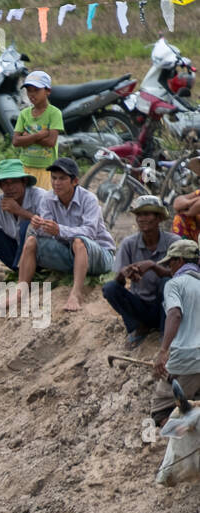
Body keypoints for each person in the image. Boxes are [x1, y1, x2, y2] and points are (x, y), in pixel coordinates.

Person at [17, 157, 116, 313]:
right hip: (70, 254)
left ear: (75, 181)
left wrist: (60, 230)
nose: (56, 183)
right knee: (31, 241)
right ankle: (20, 291)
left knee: (79, 242)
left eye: (62, 179)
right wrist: (38, 226)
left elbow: (90, 232)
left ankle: (76, 294)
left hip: (100, 256)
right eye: (54, 178)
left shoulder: (89, 199)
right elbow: (47, 232)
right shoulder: (48, 198)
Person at [103, 195, 181, 349]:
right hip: (141, 305)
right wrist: (124, 273)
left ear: (159, 218)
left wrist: (153, 266)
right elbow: (118, 282)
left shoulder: (174, 242)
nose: (141, 218)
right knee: (110, 288)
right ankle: (139, 327)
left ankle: (166, 332)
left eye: (147, 214)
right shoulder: (128, 244)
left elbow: (182, 277)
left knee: (168, 283)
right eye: (139, 215)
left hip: (165, 307)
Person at [151, 239, 200, 424]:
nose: (169, 268)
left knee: (161, 411)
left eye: (170, 262)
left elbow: (175, 314)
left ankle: (176, 446)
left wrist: (163, 352)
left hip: (188, 358)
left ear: (179, 260)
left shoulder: (175, 284)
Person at [12, 71, 63, 191]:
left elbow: (51, 142)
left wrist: (27, 137)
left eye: (36, 90)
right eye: (29, 90)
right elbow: (16, 141)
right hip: (25, 168)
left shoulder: (54, 113)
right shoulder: (24, 114)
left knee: (43, 204)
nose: (32, 94)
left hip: (45, 169)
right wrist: (39, 135)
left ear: (47, 91)